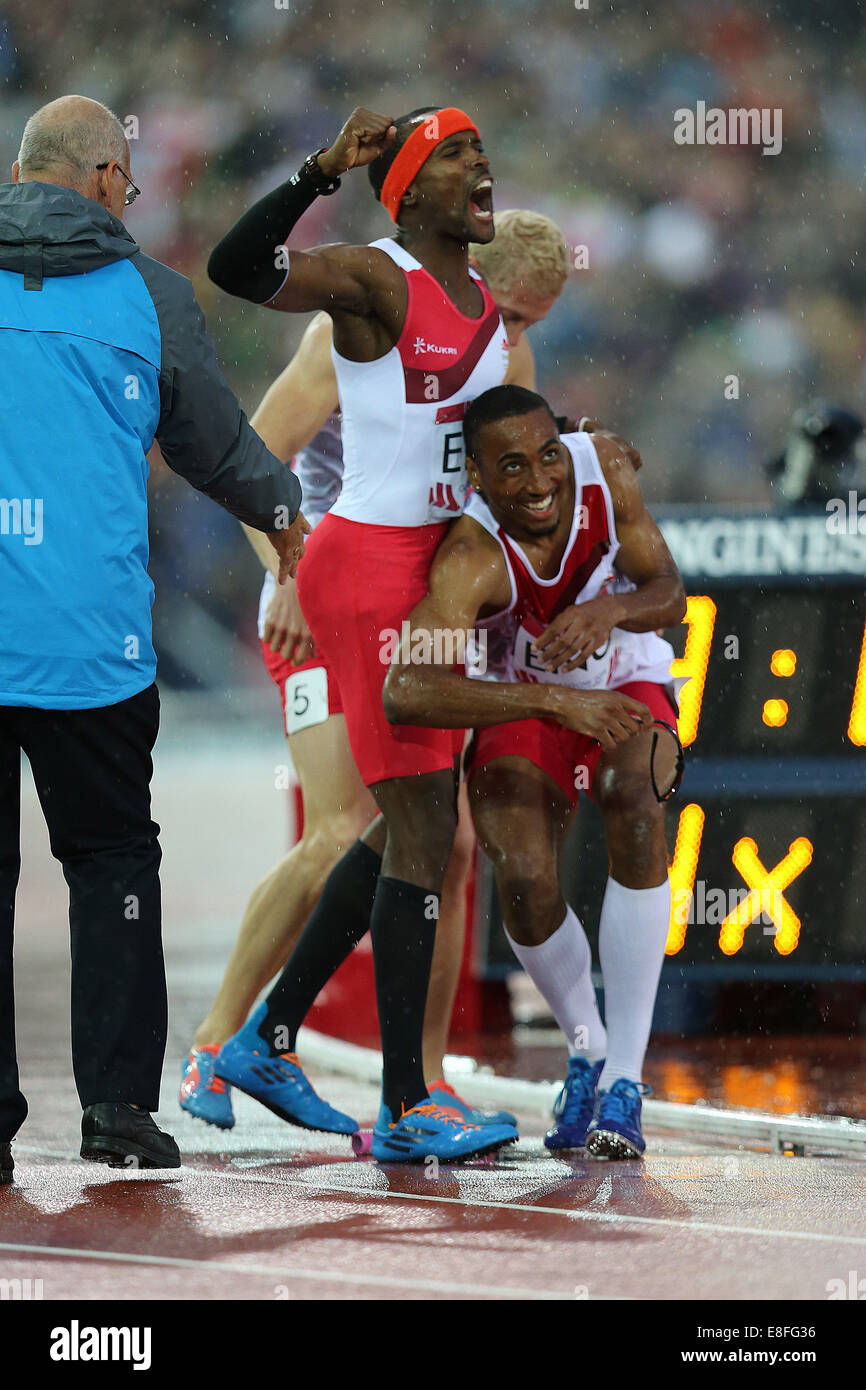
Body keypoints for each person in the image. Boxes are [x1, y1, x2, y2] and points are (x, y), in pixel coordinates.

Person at [181, 210, 570, 1132]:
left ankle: (424, 1076)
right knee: (344, 827)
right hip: (328, 596)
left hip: (422, 606)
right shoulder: (350, 333)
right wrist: (287, 567)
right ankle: (216, 1043)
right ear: (471, 278)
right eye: (509, 316)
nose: (515, 343)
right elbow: (249, 461)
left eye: (531, 326)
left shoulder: (506, 358)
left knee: (452, 842)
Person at [0, 96, 308, 1183]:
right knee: (112, 866)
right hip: (89, 648)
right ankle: (120, 1111)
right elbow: (220, 447)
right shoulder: (147, 294)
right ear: (96, 179)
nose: (129, 200)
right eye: (125, 182)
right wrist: (288, 524)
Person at [382, 385, 687, 1159]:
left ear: (566, 445)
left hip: (625, 677)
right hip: (526, 692)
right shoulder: (472, 556)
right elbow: (405, 688)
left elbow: (670, 592)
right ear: (478, 479)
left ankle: (625, 1079)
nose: (539, 480)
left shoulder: (607, 469)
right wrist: (551, 699)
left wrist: (608, 613)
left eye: (548, 454)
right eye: (511, 467)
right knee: (520, 870)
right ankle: (586, 1048)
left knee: (639, 798)